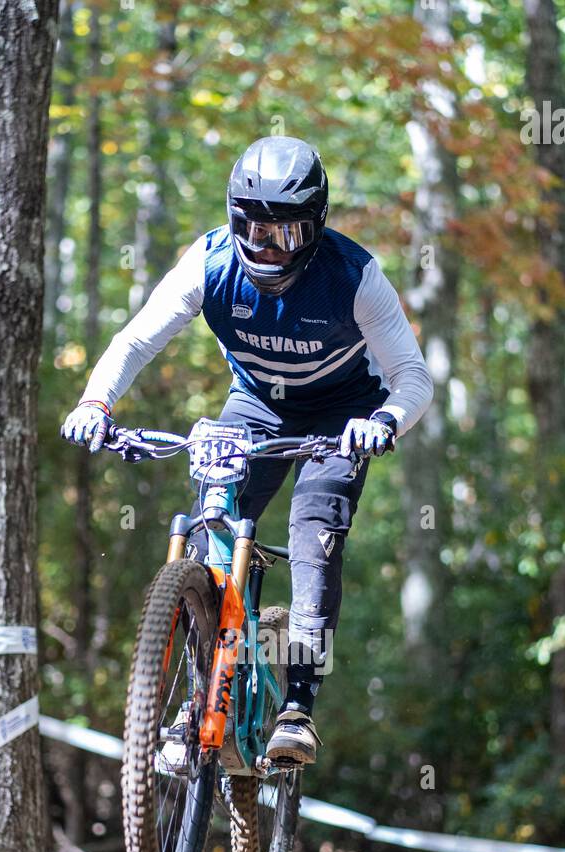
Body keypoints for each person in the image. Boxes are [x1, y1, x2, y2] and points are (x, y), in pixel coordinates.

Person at [63, 135, 433, 765]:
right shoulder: (208, 264)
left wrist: (386, 421)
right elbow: (134, 342)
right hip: (256, 407)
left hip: (343, 415)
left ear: (313, 230)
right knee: (215, 532)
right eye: (251, 229)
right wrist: (95, 404)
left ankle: (297, 709)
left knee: (315, 535)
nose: (265, 247)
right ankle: (197, 700)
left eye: (284, 235)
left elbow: (413, 378)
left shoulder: (354, 276)